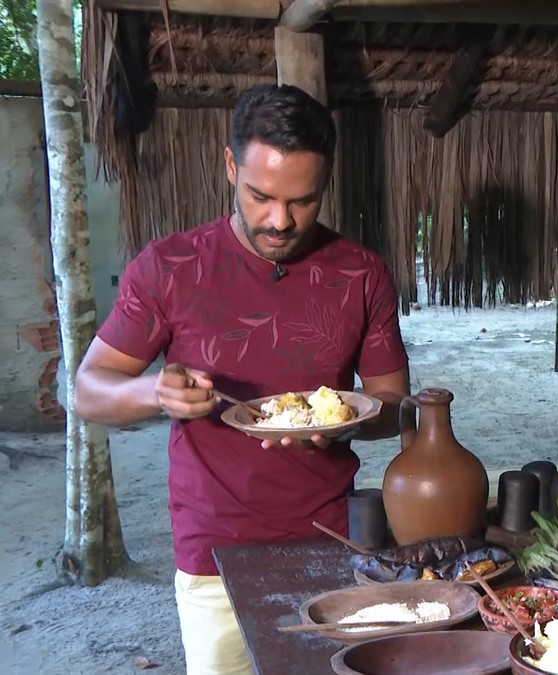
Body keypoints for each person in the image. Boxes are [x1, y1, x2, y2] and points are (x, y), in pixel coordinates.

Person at [73, 84, 412, 675]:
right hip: (214, 552)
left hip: (334, 542)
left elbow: (393, 405)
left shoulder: (361, 273)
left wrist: (346, 423)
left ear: (326, 180)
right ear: (230, 166)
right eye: (260, 196)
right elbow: (88, 390)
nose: (280, 220)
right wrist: (153, 392)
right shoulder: (170, 267)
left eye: (303, 201)